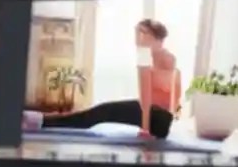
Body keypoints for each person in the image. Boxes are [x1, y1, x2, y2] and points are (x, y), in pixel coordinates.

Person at [23, 19, 181, 139]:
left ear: (158, 39)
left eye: (144, 33)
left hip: (157, 119)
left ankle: (40, 120)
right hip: (157, 119)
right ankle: (42, 119)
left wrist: (146, 129)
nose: (138, 38)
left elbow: (157, 98)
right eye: (137, 33)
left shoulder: (159, 58)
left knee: (101, 112)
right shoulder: (156, 58)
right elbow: (152, 97)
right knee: (101, 112)